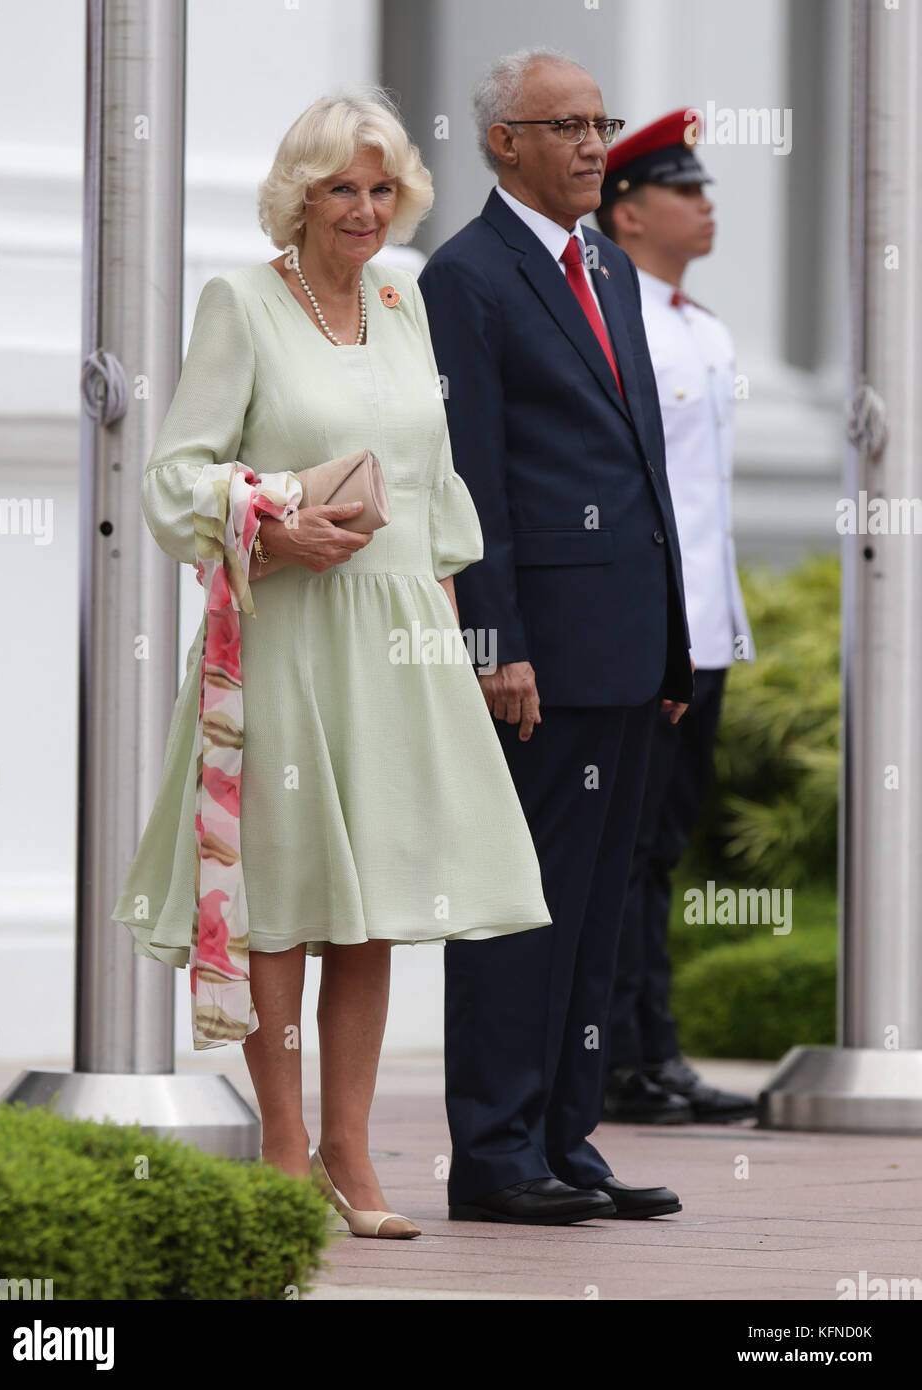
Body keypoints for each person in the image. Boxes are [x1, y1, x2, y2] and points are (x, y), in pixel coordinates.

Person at [111, 89, 552, 1240]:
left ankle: (353, 1157)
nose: (363, 210)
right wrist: (271, 519)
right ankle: (285, 1149)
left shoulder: (404, 298)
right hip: (290, 635)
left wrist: (457, 650)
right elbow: (172, 479)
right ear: (298, 197)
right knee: (286, 905)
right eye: (339, 189)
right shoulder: (242, 302)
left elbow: (435, 494)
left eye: (379, 189)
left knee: (376, 913)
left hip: (401, 640)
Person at [419, 49, 693, 1225]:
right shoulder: (466, 278)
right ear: (503, 144)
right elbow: (466, 473)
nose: (592, 145)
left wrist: (674, 643)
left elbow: (640, 468)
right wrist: (495, 644)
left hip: (627, 646)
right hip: (536, 655)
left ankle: (565, 1140)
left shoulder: (610, 270)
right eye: (565, 126)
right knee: (516, 907)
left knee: (592, 912)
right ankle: (492, 1152)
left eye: (598, 123)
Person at [596, 109, 757, 1124]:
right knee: (621, 849)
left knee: (660, 847)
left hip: (703, 628)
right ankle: (614, 1058)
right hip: (648, 634)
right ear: (626, 210)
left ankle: (654, 1049)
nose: (704, 206)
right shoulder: (620, 321)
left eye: (703, 189)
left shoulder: (702, 326)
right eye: (682, 190)